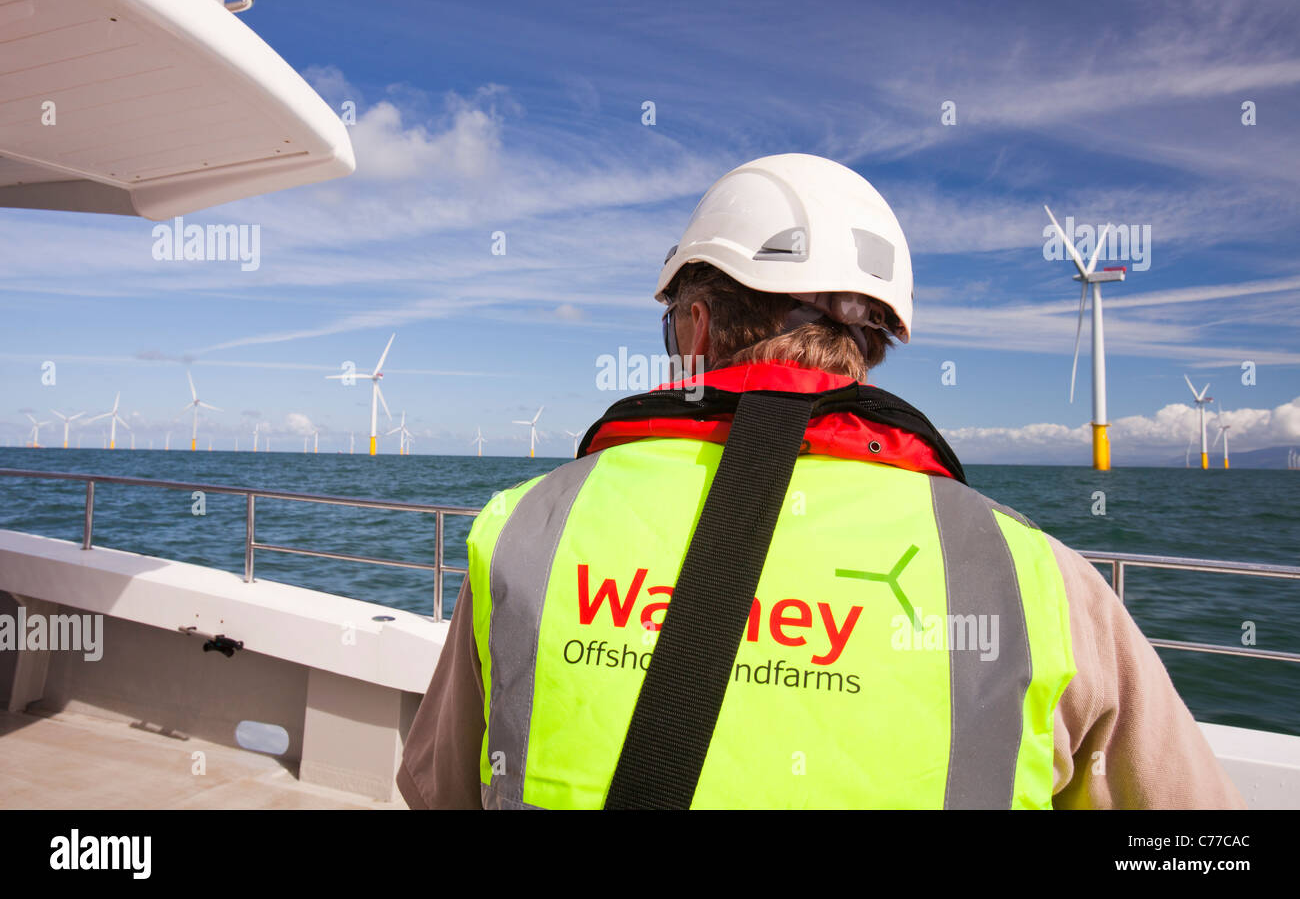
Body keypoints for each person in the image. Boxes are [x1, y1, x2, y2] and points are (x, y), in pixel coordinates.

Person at [398, 153, 1245, 809]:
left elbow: (438, 790)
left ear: (695, 326)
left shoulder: (527, 528)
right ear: (872, 342)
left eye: (669, 323)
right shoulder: (1047, 583)